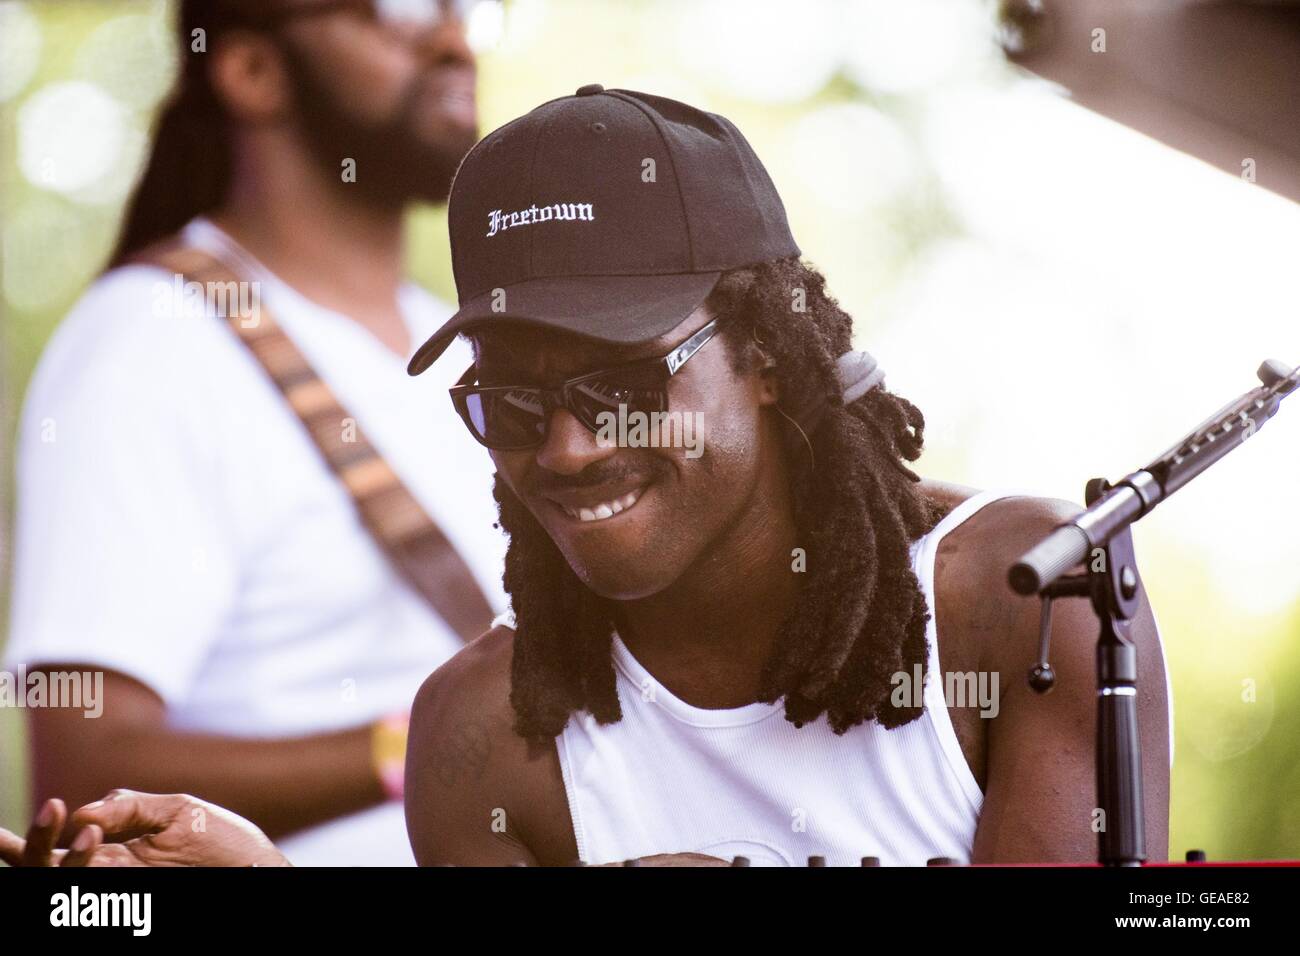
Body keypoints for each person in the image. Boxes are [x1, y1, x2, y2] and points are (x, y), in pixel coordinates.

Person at [1, 87, 1173, 867]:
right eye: (510, 399)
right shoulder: (480, 742)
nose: (563, 450)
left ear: (764, 354)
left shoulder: (1017, 605)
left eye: (622, 383)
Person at [2, 0, 506, 866]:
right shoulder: (149, 341)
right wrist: (436, 744)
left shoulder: (469, 352)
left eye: (465, 7)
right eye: (401, 7)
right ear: (250, 73)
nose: (454, 37)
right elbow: (85, 776)